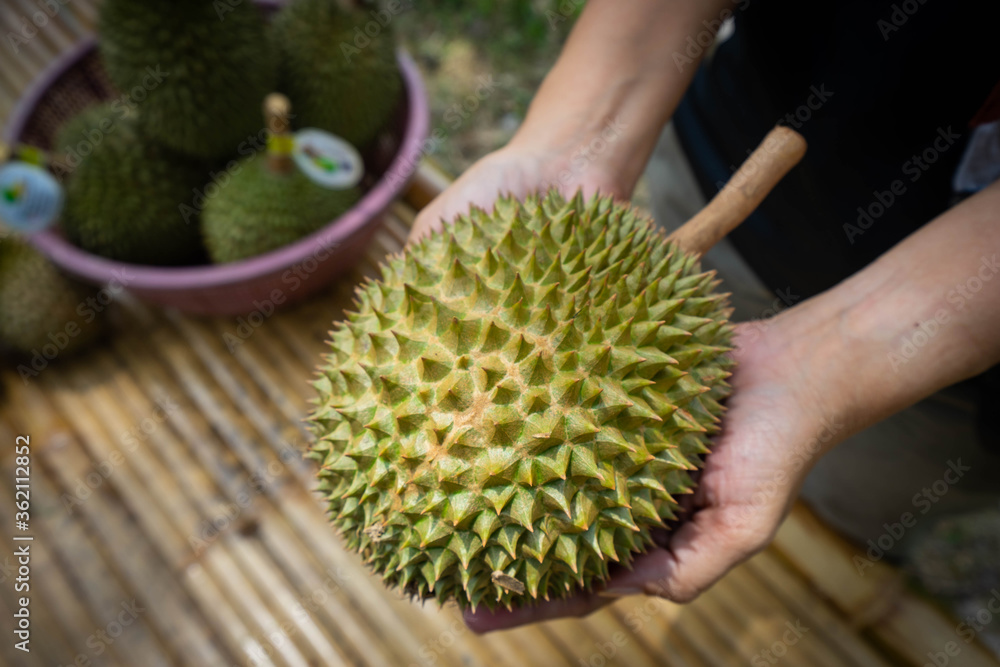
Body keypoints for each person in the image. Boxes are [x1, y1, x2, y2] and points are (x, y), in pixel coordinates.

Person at [409, 0, 1000, 632]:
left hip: (953, 355)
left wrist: (837, 361)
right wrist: (572, 143)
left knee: (848, 508)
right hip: (726, 129)